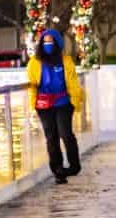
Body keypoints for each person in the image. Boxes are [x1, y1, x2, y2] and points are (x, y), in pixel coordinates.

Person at [27, 28, 84, 185]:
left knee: (66, 134)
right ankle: (58, 169)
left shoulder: (66, 61)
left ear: (57, 43)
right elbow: (32, 86)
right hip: (43, 105)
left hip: (63, 102)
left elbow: (72, 82)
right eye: (45, 42)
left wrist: (76, 101)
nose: (48, 45)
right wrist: (33, 105)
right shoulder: (34, 62)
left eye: (51, 42)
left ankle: (74, 165)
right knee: (51, 137)